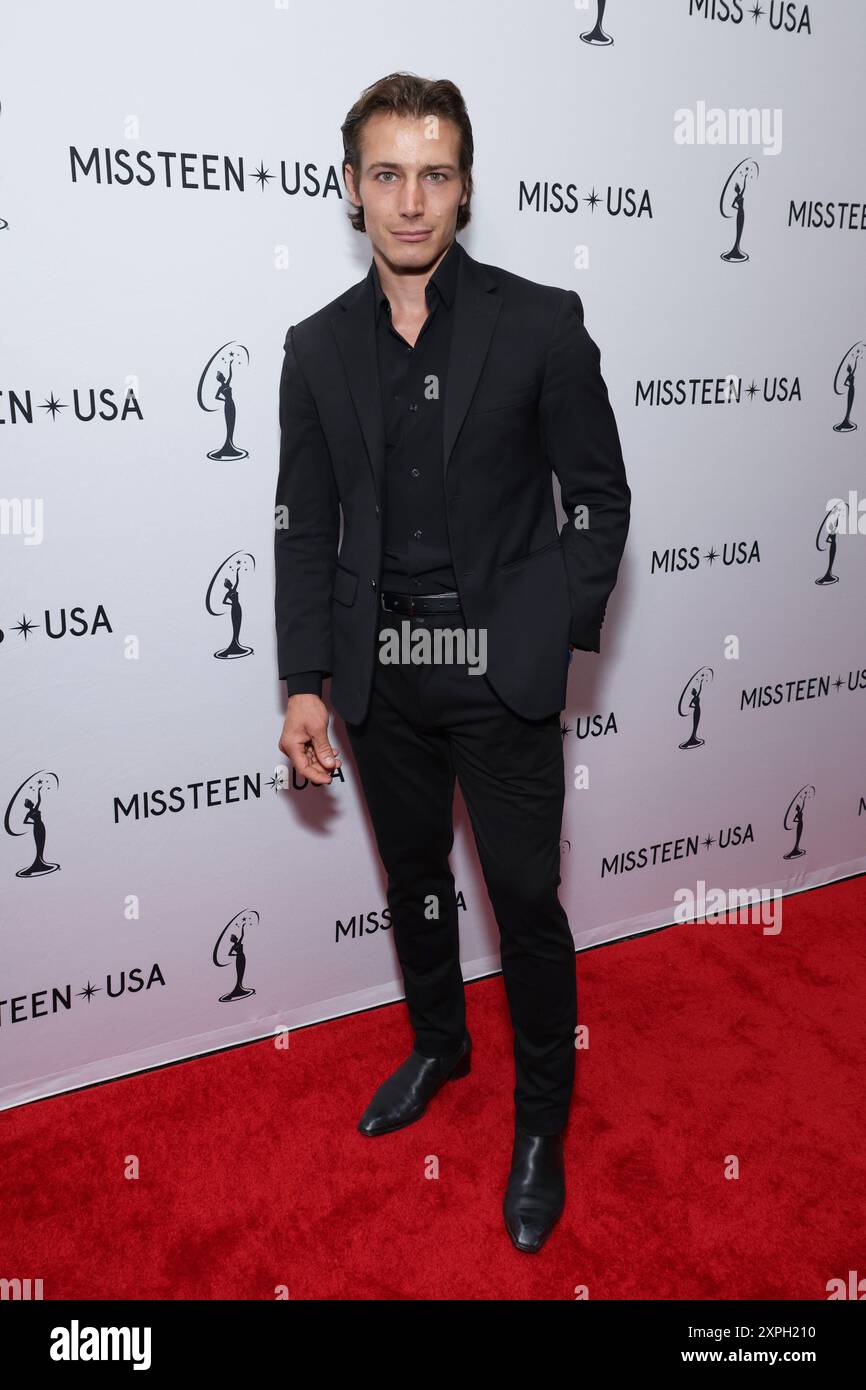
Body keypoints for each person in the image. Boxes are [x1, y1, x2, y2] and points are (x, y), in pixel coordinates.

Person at [274, 72, 631, 1253]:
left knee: (524, 900)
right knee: (415, 876)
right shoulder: (315, 348)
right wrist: (303, 681)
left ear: (464, 188)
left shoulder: (540, 321)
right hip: (380, 671)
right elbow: (301, 523)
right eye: (385, 174)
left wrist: (548, 629)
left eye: (433, 174)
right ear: (350, 190)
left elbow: (597, 498)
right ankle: (438, 1039)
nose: (409, 199)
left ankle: (540, 1122)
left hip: (497, 669)